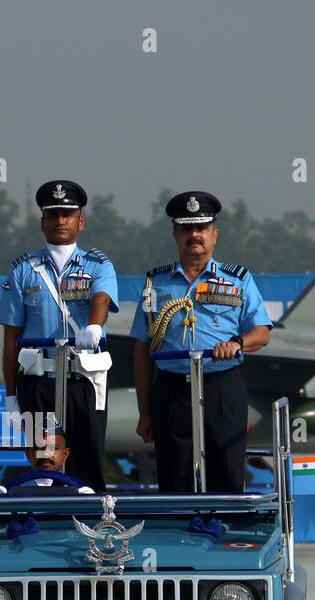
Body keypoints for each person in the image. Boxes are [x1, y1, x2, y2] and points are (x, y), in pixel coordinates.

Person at [131, 191, 272, 493]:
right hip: (171, 390)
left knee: (226, 467)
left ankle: (224, 534)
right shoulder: (156, 284)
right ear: (175, 234)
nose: (194, 235)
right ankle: (179, 537)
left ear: (214, 234)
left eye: (202, 228)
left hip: (220, 385)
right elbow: (142, 349)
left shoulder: (238, 280)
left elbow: (262, 333)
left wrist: (236, 343)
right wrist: (145, 411)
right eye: (186, 228)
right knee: (173, 473)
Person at [0, 180, 119, 491]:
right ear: (42, 222)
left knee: (87, 464)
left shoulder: (98, 265)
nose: (60, 221)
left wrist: (94, 325)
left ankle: (89, 531)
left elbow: (102, 298)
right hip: (37, 383)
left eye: (67, 214)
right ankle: (43, 531)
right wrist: (11, 395)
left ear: (81, 220)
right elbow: (11, 338)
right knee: (44, 463)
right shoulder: (23, 270)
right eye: (53, 215)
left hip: (83, 383)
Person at [0, 431, 95, 494]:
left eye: (53, 448)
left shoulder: (81, 494)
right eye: (39, 448)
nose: (45, 454)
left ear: (65, 454)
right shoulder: (6, 493)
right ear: (28, 453)